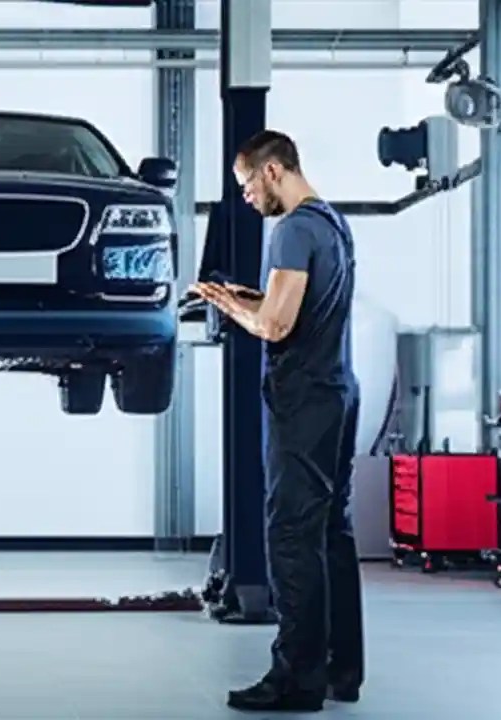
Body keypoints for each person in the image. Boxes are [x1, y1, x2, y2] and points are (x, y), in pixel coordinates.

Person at [190, 130, 364, 713]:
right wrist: (240, 293)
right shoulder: (332, 223)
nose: (245, 199)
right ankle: (343, 669)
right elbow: (295, 302)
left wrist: (230, 308)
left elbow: (276, 326)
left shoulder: (290, 229)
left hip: (304, 402)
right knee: (331, 533)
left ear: (271, 173)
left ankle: (295, 678)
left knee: (291, 536)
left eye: (246, 187)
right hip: (338, 391)